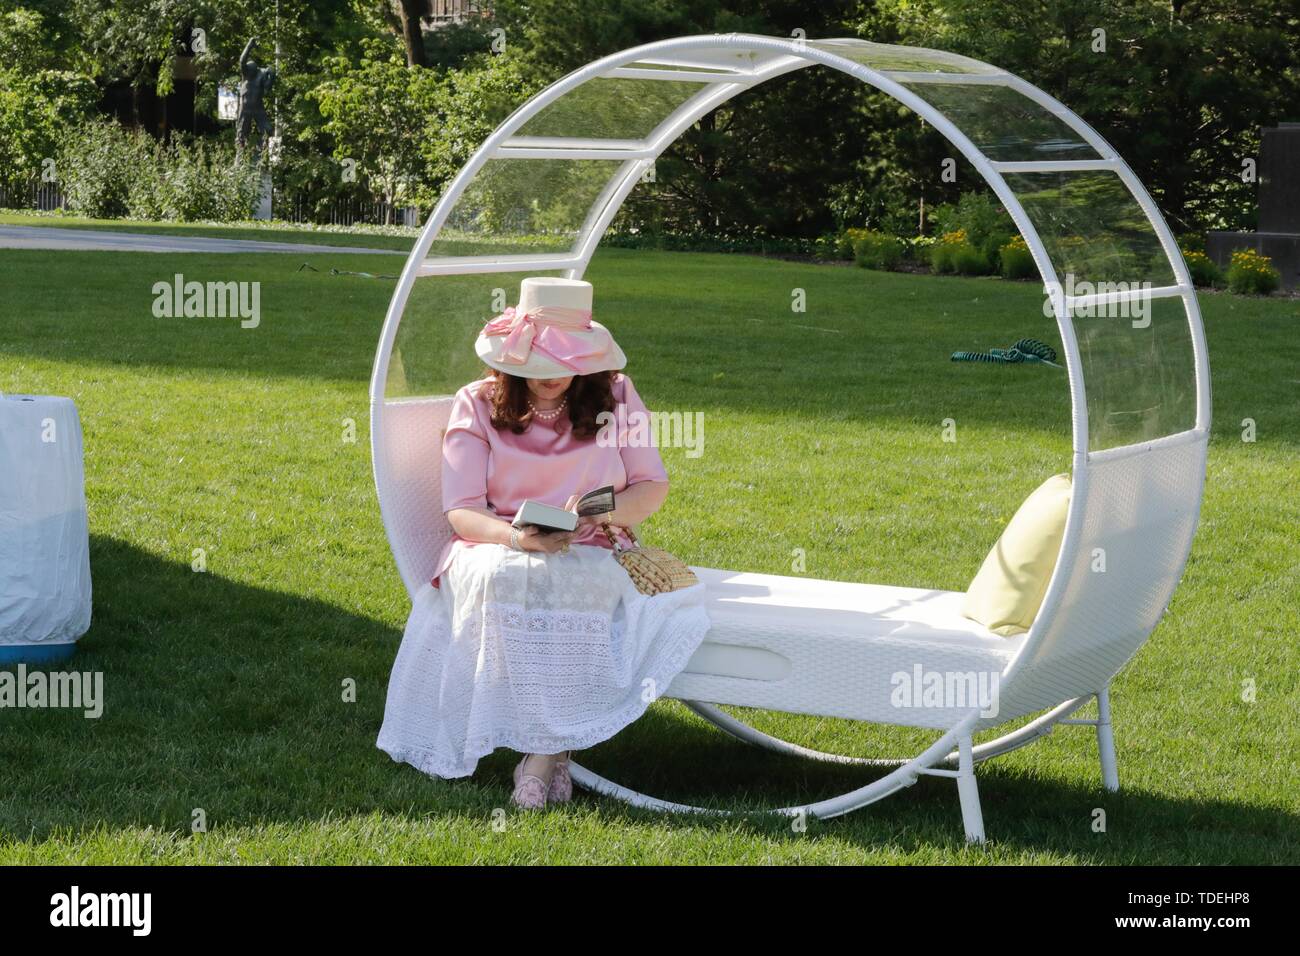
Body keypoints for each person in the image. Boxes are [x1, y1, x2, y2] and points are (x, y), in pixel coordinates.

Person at [377, 276, 711, 809]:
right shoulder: (478, 403)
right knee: (511, 577)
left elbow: (651, 485)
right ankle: (554, 751)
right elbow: (462, 510)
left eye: (564, 363)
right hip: (495, 541)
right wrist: (516, 537)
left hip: (595, 540)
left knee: (573, 580)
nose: (551, 377)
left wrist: (598, 513)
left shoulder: (616, 394)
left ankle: (540, 755)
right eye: (537, 364)